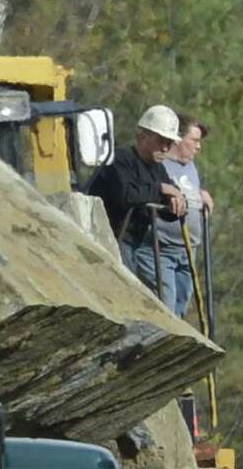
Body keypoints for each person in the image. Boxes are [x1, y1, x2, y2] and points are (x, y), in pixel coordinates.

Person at [87, 105, 189, 312]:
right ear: (142, 137)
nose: (166, 148)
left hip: (135, 243)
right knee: (126, 295)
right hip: (109, 239)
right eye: (162, 141)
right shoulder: (119, 160)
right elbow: (126, 196)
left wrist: (177, 202)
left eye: (169, 143)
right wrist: (161, 189)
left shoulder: (157, 168)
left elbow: (165, 202)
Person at [161, 117, 214, 320]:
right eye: (194, 140)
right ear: (177, 139)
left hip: (188, 251)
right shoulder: (161, 163)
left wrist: (201, 194)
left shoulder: (190, 167)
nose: (198, 147)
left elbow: (188, 190)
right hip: (163, 248)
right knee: (167, 310)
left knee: (181, 307)